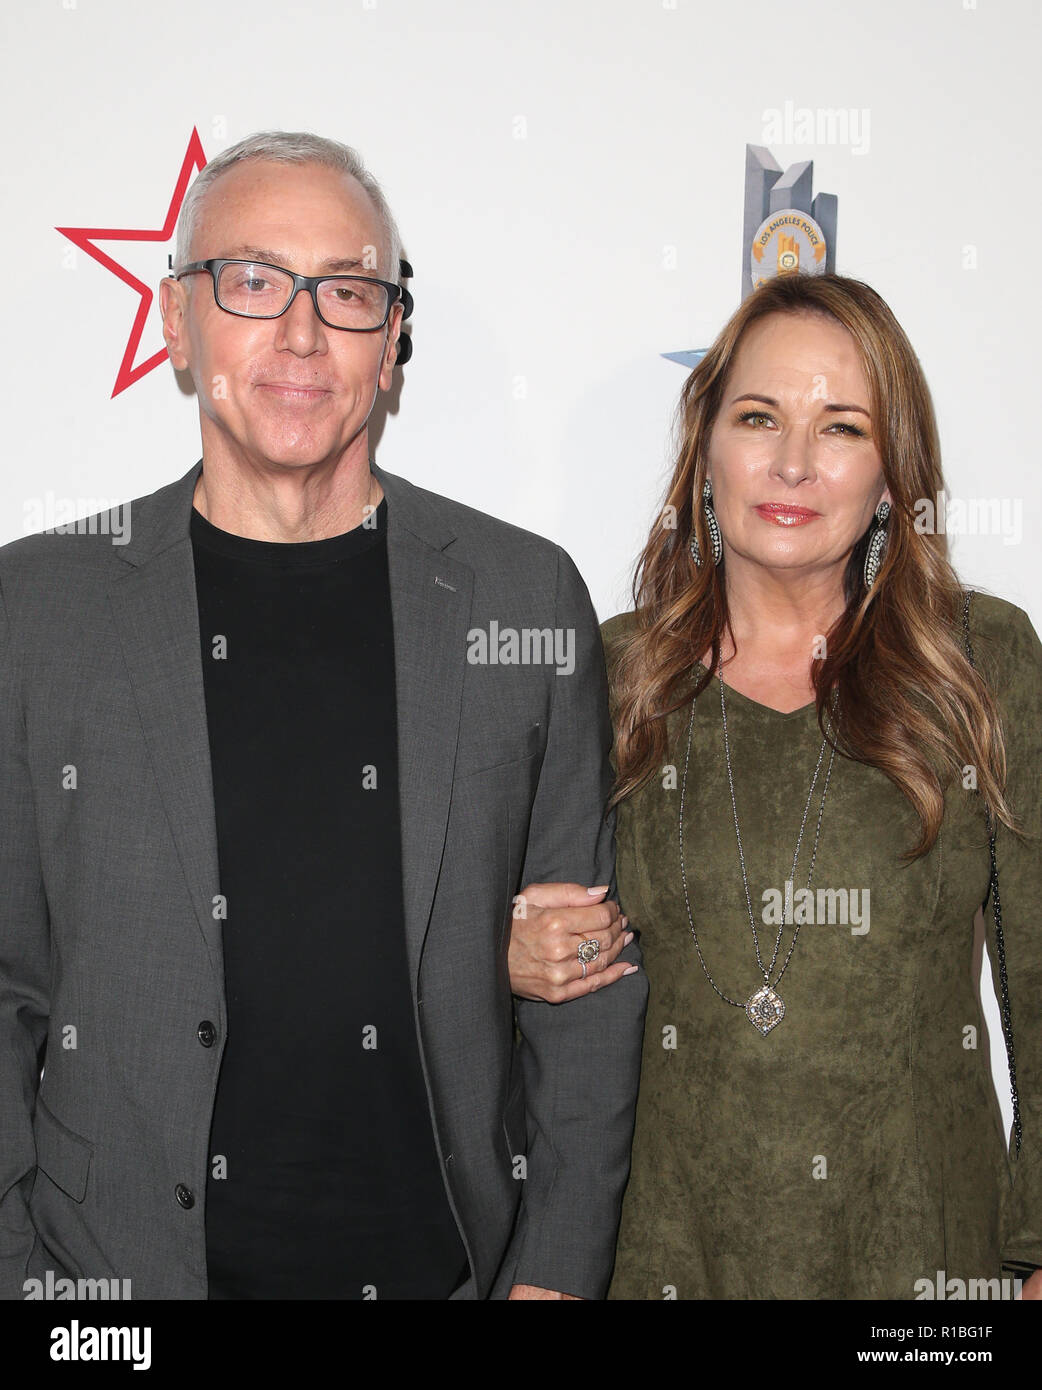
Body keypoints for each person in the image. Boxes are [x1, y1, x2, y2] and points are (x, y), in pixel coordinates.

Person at [0, 130, 646, 1301]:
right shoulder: (37, 607)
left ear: (394, 340)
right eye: (251, 282)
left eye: (345, 292)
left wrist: (552, 1277)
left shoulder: (522, 598)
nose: (300, 333)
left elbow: (589, 983)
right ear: (175, 322)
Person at [514, 272, 1042, 1299]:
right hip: (663, 1258)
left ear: (891, 475)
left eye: (841, 427)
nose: (793, 462)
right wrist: (507, 949)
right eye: (758, 417)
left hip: (922, 1267)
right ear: (704, 448)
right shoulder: (610, 675)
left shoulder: (983, 660)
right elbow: (535, 984)